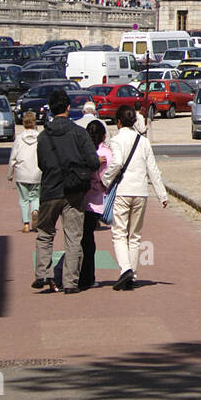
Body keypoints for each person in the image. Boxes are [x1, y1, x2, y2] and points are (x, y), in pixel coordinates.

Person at [33, 90, 99, 295]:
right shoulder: (79, 133)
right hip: (74, 191)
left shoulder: (43, 136)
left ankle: (43, 273)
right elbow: (93, 161)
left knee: (45, 233)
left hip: (51, 189)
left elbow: (41, 163)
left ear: (50, 109)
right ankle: (71, 281)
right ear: (68, 108)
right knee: (73, 237)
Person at [101, 105, 168, 289]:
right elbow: (152, 169)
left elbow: (117, 163)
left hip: (123, 190)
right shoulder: (143, 141)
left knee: (119, 233)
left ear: (118, 122)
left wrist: (105, 180)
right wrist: (162, 194)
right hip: (140, 191)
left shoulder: (116, 140)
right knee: (135, 235)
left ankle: (125, 269)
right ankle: (132, 274)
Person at [80, 119, 114, 290]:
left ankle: (81, 275)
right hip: (100, 200)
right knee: (89, 241)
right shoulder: (106, 153)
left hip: (83, 199)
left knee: (83, 239)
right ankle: (88, 276)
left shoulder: (82, 152)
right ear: (104, 136)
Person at [8, 111, 42, 233]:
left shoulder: (19, 138)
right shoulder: (40, 137)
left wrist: (10, 174)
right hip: (37, 173)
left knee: (23, 199)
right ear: (34, 123)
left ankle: (26, 224)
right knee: (35, 196)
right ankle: (35, 211)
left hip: (22, 172)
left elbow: (13, 158)